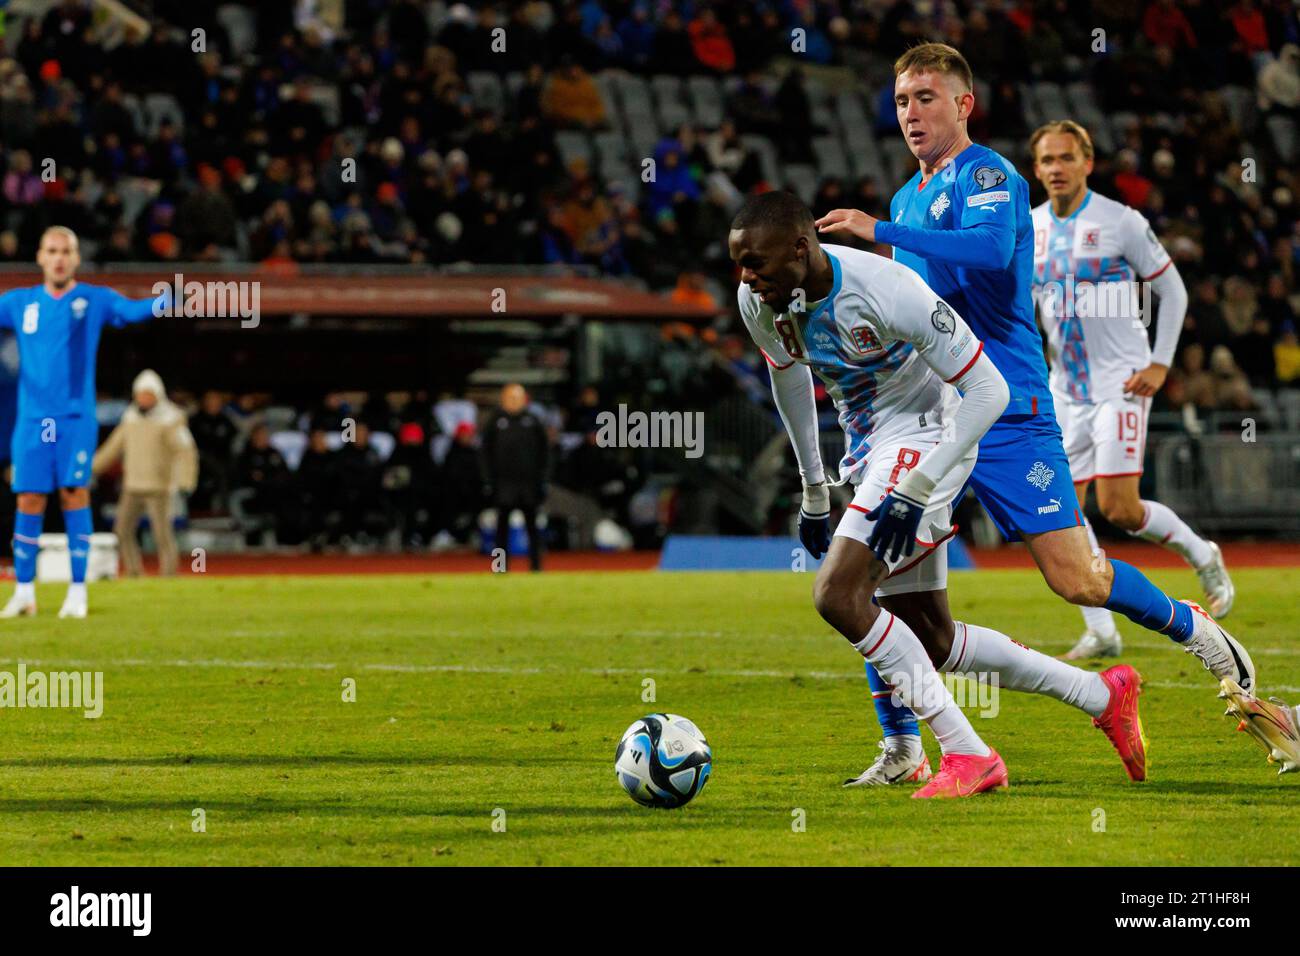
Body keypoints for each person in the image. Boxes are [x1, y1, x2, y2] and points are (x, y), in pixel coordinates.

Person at [813, 43, 1256, 784]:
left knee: (1078, 580)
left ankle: (1193, 628)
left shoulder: (987, 174)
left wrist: (878, 234)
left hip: (1007, 405)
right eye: (901, 102)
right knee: (869, 582)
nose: (912, 114)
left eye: (927, 97)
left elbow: (988, 251)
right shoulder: (905, 198)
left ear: (964, 104)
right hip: (930, 416)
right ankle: (901, 750)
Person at [731, 191, 1148, 796]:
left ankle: (967, 753)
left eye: (758, 263)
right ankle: (1100, 693)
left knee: (838, 594)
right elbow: (789, 377)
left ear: (803, 248)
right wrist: (814, 489)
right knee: (933, 638)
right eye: (739, 263)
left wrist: (918, 486)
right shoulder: (759, 300)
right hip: (872, 448)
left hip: (932, 436)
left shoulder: (888, 286)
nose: (747, 277)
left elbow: (989, 390)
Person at [1028, 120, 1234, 657]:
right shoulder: (1030, 230)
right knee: (1057, 517)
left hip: (1121, 382)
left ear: (1088, 163)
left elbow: (1172, 290)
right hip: (1066, 392)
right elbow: (1027, 311)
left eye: (1066, 158)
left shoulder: (1120, 221)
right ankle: (1101, 632)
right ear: (1036, 169)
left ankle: (1201, 553)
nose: (1056, 169)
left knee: (1118, 509)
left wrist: (1162, 365)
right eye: (1046, 160)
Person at [0, 226, 169, 618]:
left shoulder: (93, 299)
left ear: (76, 258)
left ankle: (78, 591)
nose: (59, 258)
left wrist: (167, 300)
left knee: (74, 493)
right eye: (52, 251)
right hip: (31, 421)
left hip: (74, 419)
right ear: (40, 257)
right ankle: (24, 591)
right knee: (28, 498)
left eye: (66, 251)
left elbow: (132, 310)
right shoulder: (19, 303)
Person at [92, 369, 197, 576]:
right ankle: (133, 571)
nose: (143, 399)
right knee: (122, 530)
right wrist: (89, 470)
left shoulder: (170, 419)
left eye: (148, 394)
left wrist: (186, 481)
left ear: (158, 395)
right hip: (132, 485)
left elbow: (186, 452)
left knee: (161, 534)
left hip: (158, 486)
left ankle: (168, 573)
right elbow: (113, 447)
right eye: (140, 394)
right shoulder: (131, 417)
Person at [481, 384, 549, 571]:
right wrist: (488, 480)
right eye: (510, 397)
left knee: (533, 528)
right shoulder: (495, 422)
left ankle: (536, 567)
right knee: (501, 529)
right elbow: (485, 453)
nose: (513, 401)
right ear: (503, 400)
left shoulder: (533, 421)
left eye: (517, 398)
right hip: (503, 484)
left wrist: (543, 478)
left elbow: (545, 452)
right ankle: (500, 567)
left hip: (529, 484)